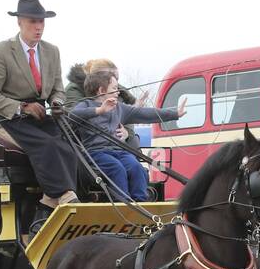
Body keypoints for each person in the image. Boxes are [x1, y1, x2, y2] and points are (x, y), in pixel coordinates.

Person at [0, 0, 82, 234]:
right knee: (45, 144)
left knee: (68, 143)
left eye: (42, 22)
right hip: (7, 116)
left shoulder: (51, 51)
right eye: (34, 22)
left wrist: (56, 103)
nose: (39, 27)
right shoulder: (0, 51)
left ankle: (47, 203)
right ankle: (65, 196)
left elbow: (58, 89)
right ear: (20, 22)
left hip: (39, 115)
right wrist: (20, 107)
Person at [68, 68, 184, 202]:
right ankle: (123, 204)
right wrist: (99, 110)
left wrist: (174, 113)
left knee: (137, 167)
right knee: (116, 168)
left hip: (119, 152)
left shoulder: (119, 108)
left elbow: (145, 113)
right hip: (96, 154)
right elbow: (72, 115)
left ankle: (141, 203)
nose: (118, 92)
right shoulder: (85, 105)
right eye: (115, 88)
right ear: (101, 91)